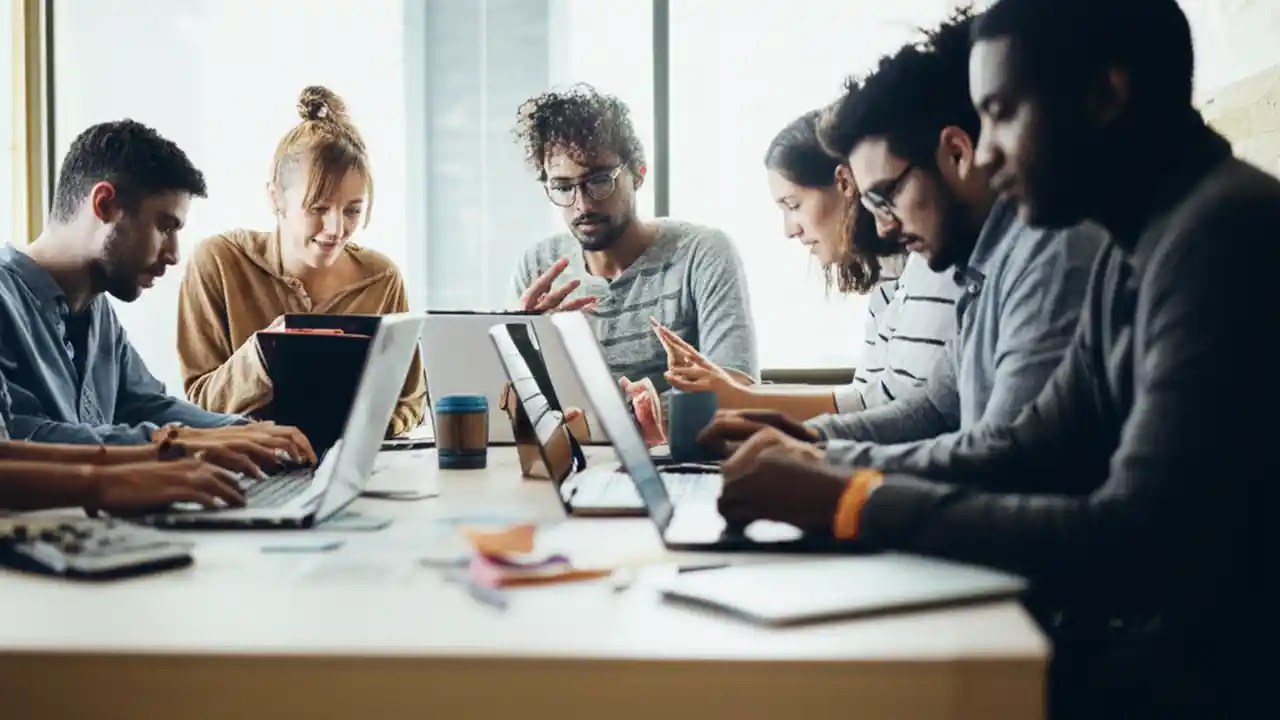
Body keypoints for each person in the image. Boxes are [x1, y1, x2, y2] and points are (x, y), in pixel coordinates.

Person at [705, 0, 1271, 715]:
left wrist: (851, 500)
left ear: (1105, 95)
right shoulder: (1133, 248)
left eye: (1001, 114)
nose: (985, 151)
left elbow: (1136, 539)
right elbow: (1027, 446)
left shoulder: (1223, 234)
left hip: (1192, 679)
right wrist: (825, 462)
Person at [717, 10, 1106, 469]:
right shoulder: (981, 269)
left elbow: (1007, 460)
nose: (883, 227)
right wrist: (805, 437)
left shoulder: (1048, 252)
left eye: (887, 196)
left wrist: (829, 466)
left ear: (957, 153)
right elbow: (932, 410)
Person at [626, 109, 960, 444]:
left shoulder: (930, 268)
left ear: (845, 183)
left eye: (794, 205)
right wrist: (734, 396)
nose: (790, 230)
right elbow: (866, 399)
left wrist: (744, 400)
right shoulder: (890, 283)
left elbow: (894, 412)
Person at [0, 119, 314, 468]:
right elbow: (17, 440)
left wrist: (250, 433)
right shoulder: (5, 300)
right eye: (165, 227)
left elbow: (150, 406)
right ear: (104, 205)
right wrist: (174, 442)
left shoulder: (97, 312)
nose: (174, 254)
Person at [177, 86, 426, 437]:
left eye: (352, 210)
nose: (336, 229)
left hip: (352, 461)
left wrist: (367, 430)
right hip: (251, 462)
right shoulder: (218, 263)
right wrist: (265, 354)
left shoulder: (382, 279)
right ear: (275, 198)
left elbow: (409, 399)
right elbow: (199, 405)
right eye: (318, 208)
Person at [509, 83, 758, 393]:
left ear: (638, 173)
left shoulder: (701, 253)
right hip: (575, 427)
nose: (583, 205)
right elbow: (519, 400)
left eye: (600, 181)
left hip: (680, 427)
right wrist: (525, 347)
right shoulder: (538, 265)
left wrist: (646, 411)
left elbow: (738, 387)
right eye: (563, 187)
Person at [1, 371, 244, 513]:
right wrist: (102, 481)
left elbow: (146, 402)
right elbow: (22, 430)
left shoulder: (102, 316)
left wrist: (158, 456)